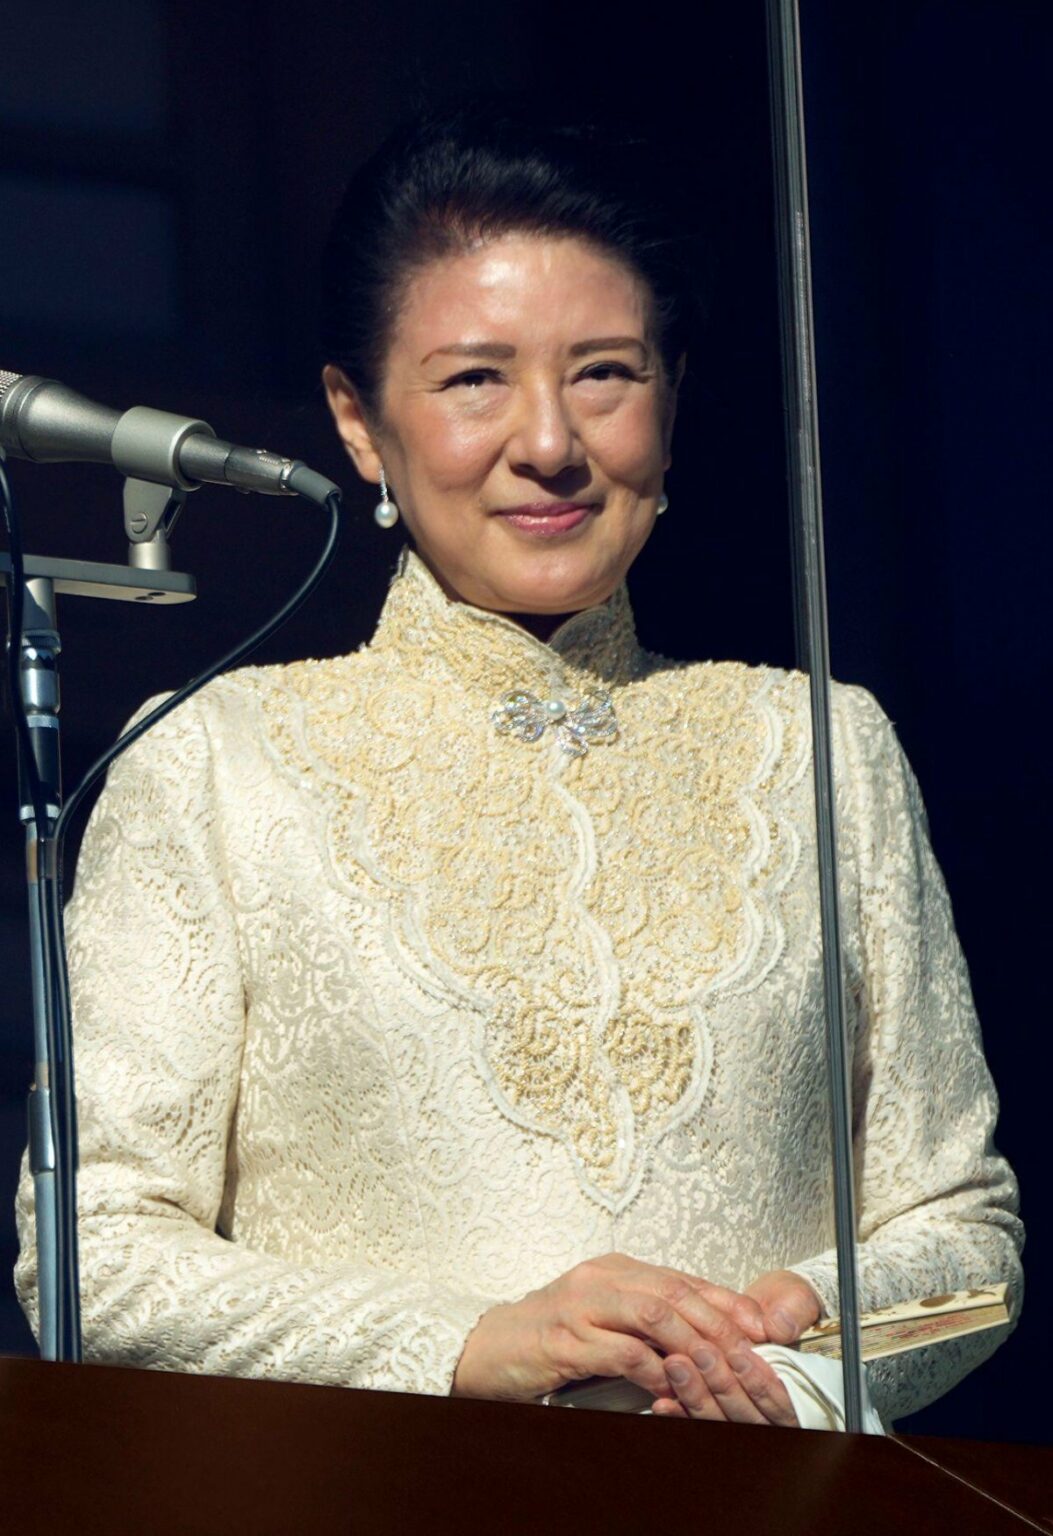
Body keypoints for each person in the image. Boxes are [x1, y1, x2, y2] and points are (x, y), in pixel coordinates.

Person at [16, 101, 1021, 1431]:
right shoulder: (211, 759)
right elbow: (89, 1254)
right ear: (359, 422)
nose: (548, 441)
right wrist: (472, 1345)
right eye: (473, 378)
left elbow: (960, 1232)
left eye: (603, 371)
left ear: (671, 400)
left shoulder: (824, 745)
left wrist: (789, 1358)